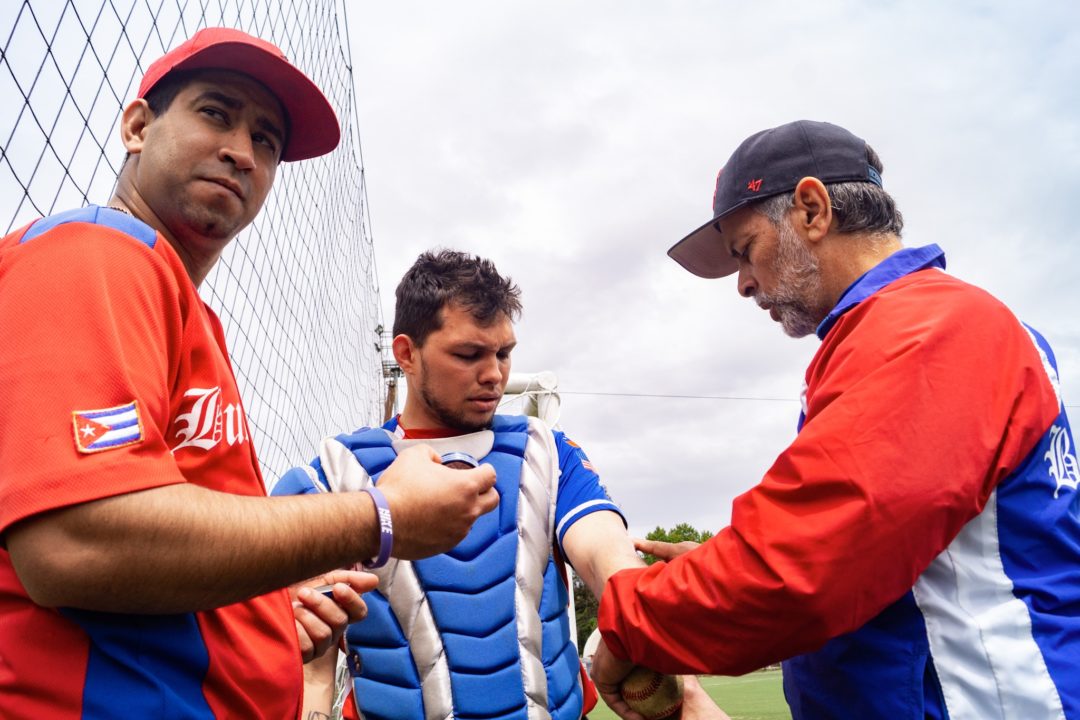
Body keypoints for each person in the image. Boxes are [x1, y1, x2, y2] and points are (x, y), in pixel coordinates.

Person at [0, 28, 498, 719]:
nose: (242, 151)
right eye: (215, 113)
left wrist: (251, 605)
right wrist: (379, 516)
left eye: (266, 140)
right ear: (138, 127)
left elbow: (147, 551)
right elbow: (73, 543)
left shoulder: (179, 302)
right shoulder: (95, 254)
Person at [590, 120, 1080, 719]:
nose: (744, 284)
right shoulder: (915, 327)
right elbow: (872, 552)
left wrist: (633, 624)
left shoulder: (928, 329)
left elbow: (805, 567)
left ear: (813, 210)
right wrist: (714, 568)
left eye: (745, 251)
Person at [274, 249, 727, 720]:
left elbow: (608, 560)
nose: (493, 374)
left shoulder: (549, 453)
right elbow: (312, 671)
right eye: (468, 354)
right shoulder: (334, 474)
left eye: (504, 354)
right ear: (406, 354)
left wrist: (649, 612)